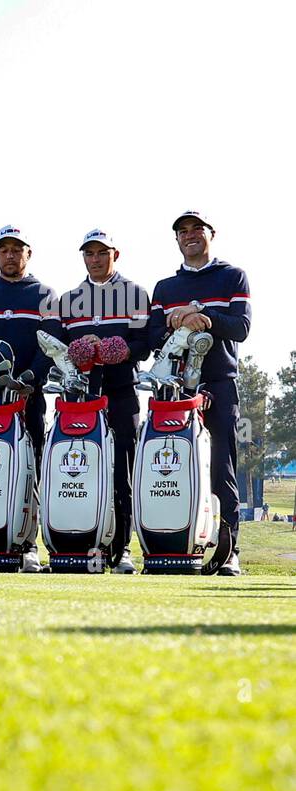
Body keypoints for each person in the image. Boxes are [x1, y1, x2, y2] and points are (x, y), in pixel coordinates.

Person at [148, 211, 250, 577]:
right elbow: (149, 340)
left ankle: (229, 549)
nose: (190, 236)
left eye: (197, 229)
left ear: (211, 234)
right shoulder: (164, 288)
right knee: (169, 467)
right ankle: (168, 548)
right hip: (171, 389)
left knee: (221, 467)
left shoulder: (231, 276)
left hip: (219, 383)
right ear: (177, 240)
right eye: (183, 231)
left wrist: (201, 314)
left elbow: (241, 328)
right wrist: (175, 320)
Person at [0, 225, 61, 573]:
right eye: (3, 249)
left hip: (28, 398)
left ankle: (28, 544)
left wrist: (31, 379)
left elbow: (51, 346)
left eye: (16, 249)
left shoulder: (45, 295)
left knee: (30, 467)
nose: (10, 254)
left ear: (28, 253)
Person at [57, 229, 152, 574]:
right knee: (82, 472)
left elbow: (146, 342)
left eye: (101, 253)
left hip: (122, 393)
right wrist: (76, 351)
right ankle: (87, 545)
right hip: (81, 397)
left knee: (121, 471)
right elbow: (57, 347)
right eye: (89, 254)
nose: (95, 259)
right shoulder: (67, 300)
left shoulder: (136, 295)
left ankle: (122, 548)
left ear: (116, 254)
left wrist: (124, 349)